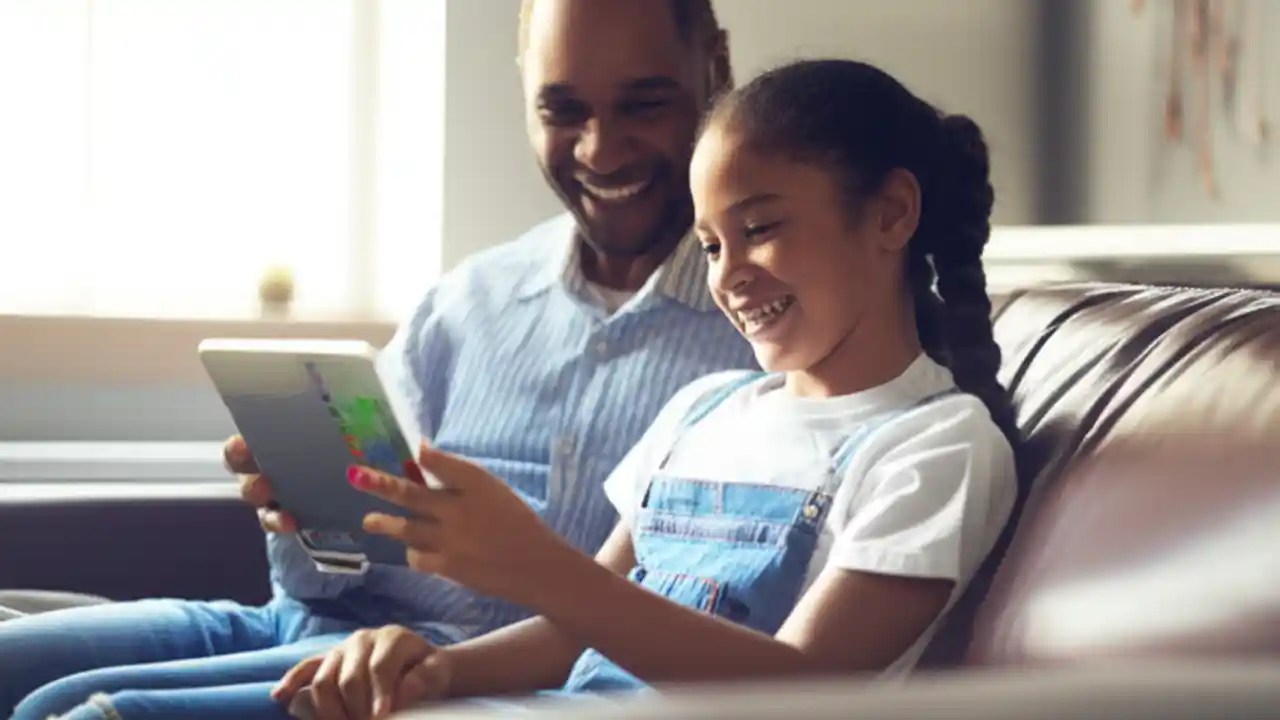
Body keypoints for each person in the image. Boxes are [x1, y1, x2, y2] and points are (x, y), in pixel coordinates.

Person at [0, 2, 755, 719]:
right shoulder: (469, 300)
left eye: (644, 104)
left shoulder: (763, 332)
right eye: (562, 111)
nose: (599, 148)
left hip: (449, 673)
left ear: (714, 69)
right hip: (293, 626)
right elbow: (315, 581)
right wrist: (300, 511)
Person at [273, 58, 1025, 719]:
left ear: (891, 212)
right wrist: (435, 671)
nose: (726, 275)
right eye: (709, 244)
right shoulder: (703, 409)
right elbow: (576, 632)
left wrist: (536, 565)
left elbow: (804, 691)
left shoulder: (937, 446)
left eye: (760, 226)